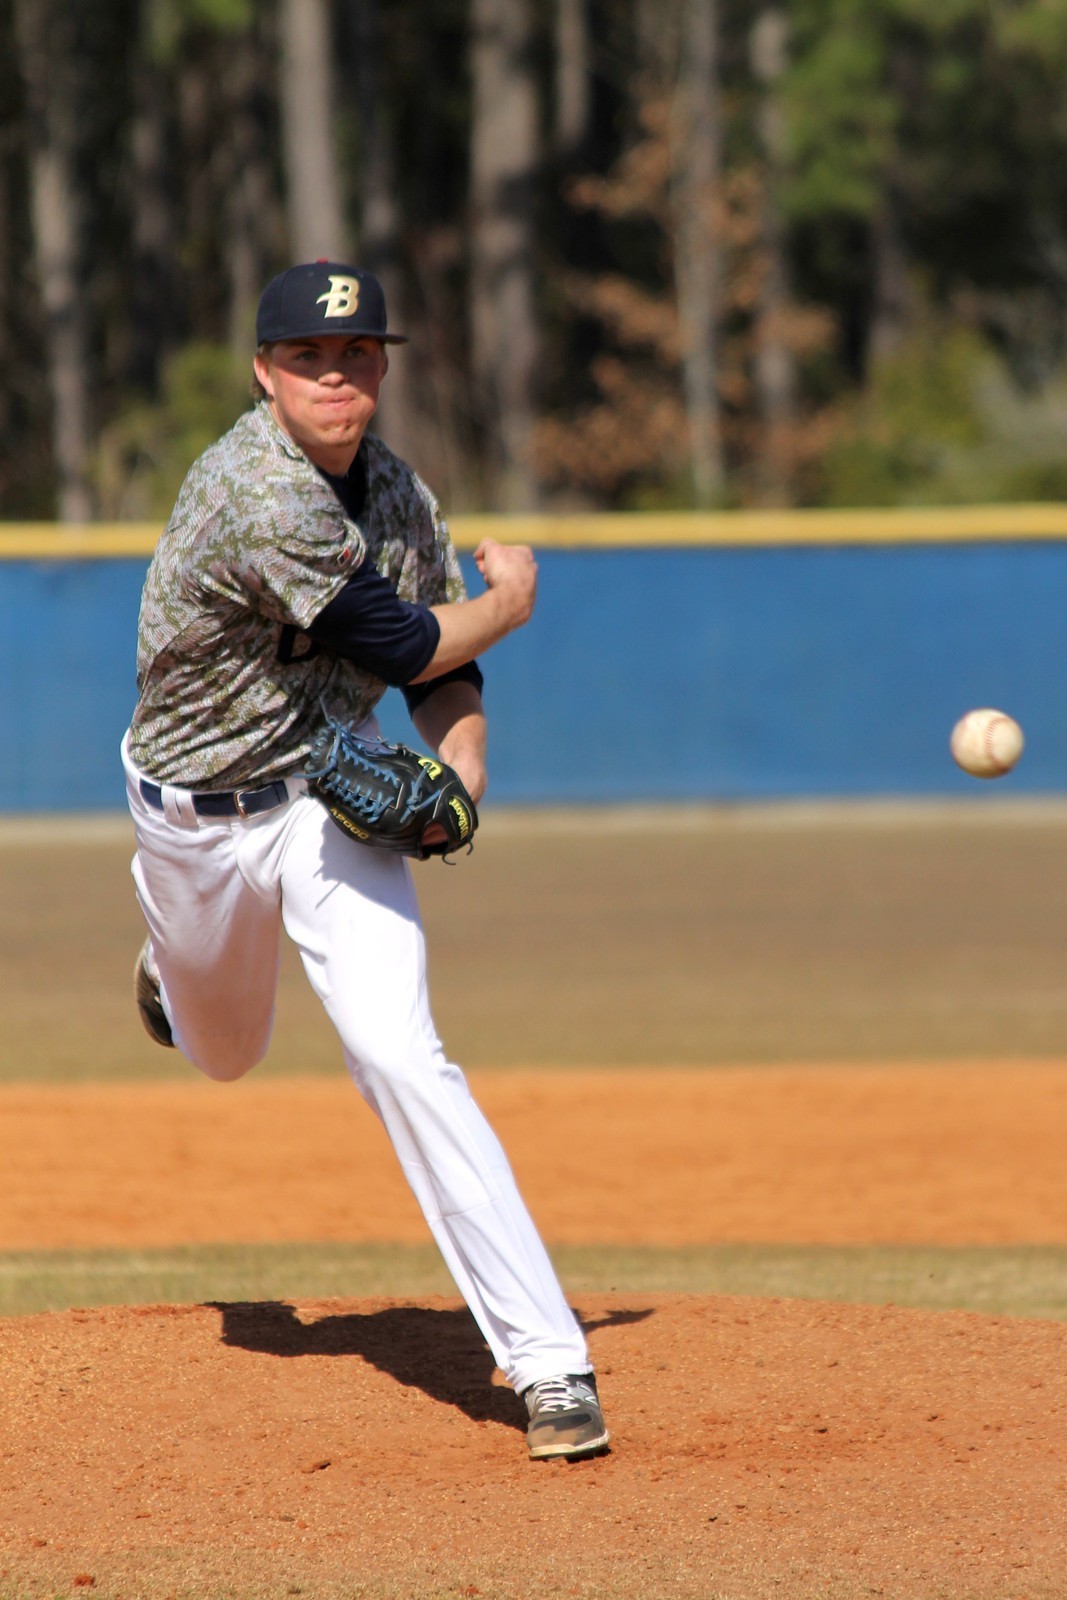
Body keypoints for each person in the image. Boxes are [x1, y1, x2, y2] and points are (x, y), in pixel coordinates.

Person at [122, 261, 609, 1462]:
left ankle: (550, 1367)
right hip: (191, 813)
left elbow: (436, 676)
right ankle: (169, 970)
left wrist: (463, 775)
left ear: (381, 368)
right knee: (227, 1054)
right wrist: (516, 593)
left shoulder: (396, 496)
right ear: (264, 374)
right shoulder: (254, 488)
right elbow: (403, 634)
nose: (335, 377)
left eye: (354, 357)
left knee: (404, 1056)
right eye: (308, 359)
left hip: (324, 803)